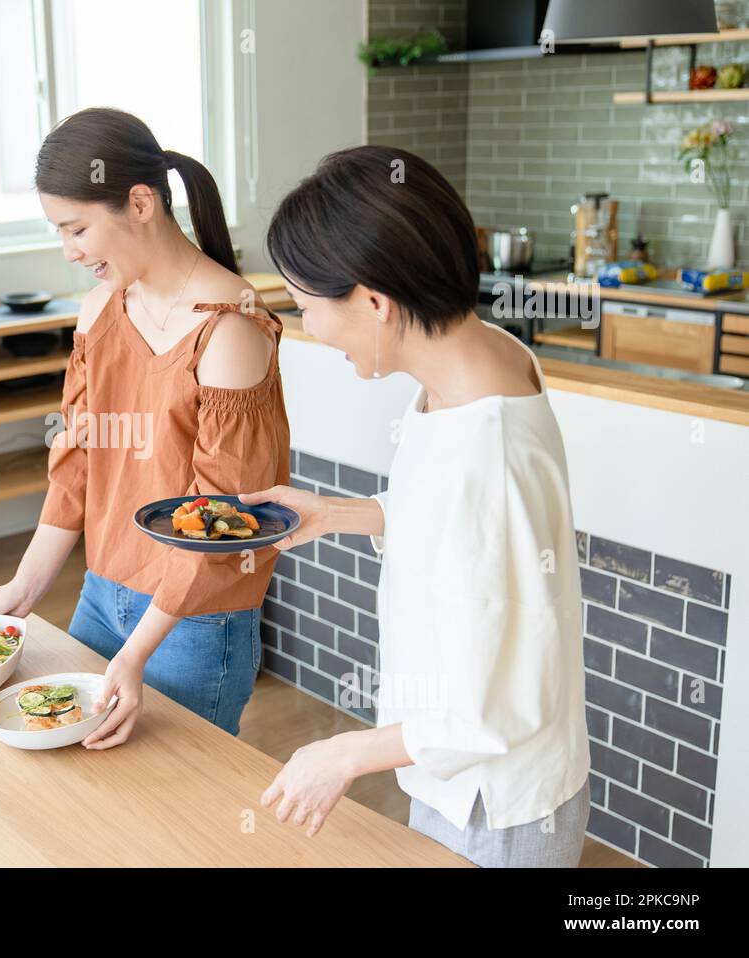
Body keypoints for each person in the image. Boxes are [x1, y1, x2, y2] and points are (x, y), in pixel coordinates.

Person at [245, 145, 590, 867]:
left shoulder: (483, 452)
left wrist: (342, 754)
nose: (308, 327)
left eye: (309, 307)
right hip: (460, 777)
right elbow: (452, 525)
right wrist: (335, 514)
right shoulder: (479, 358)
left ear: (374, 302)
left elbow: (489, 712)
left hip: (493, 804)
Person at [0, 108, 290, 746]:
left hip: (195, 621)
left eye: (76, 228)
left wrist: (135, 655)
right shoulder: (97, 313)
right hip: (102, 595)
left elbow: (221, 522)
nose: (70, 251)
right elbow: (77, 465)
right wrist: (24, 585)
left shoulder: (230, 330)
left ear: (139, 202)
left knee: (178, 816)